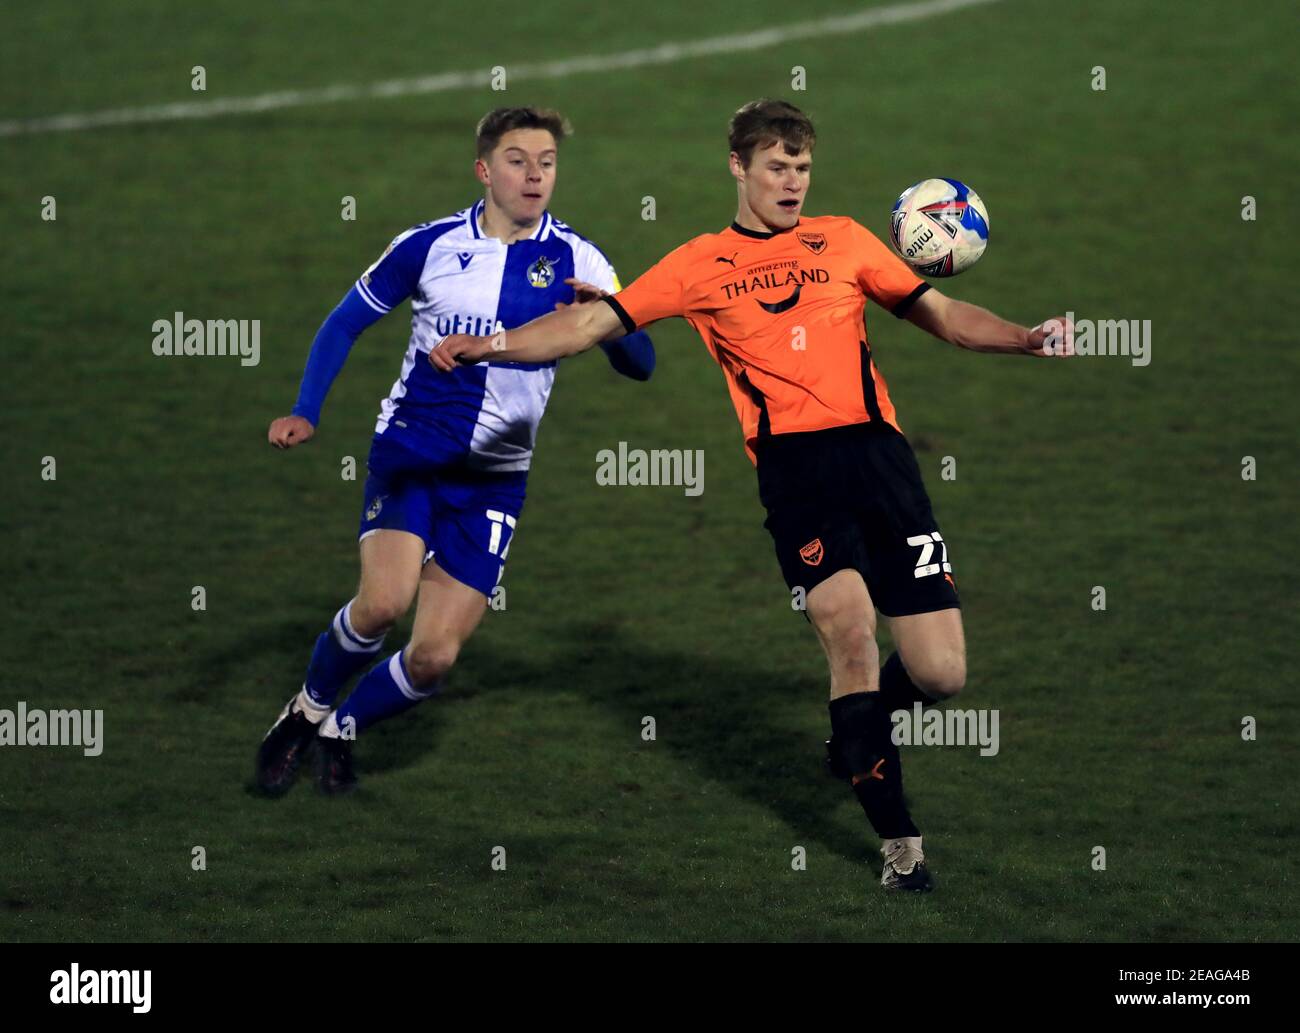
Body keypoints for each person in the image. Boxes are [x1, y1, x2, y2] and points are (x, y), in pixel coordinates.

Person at [431, 99, 1072, 891]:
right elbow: (588, 328)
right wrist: (488, 345)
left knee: (941, 674)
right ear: (739, 168)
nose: (792, 182)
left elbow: (944, 316)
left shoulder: (846, 241)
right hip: (796, 473)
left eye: (802, 168)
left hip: (882, 462)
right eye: (777, 167)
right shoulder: (699, 264)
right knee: (849, 631)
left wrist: (1023, 335)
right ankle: (900, 843)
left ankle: (856, 739)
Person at [256, 106, 655, 796]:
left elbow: (644, 363)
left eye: (547, 162)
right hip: (413, 457)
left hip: (496, 481)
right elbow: (344, 322)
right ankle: (306, 708)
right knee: (383, 603)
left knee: (436, 655)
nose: (534, 175)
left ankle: (341, 728)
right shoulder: (431, 245)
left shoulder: (581, 260)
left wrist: (611, 323)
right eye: (517, 160)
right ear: (483, 169)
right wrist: (305, 409)